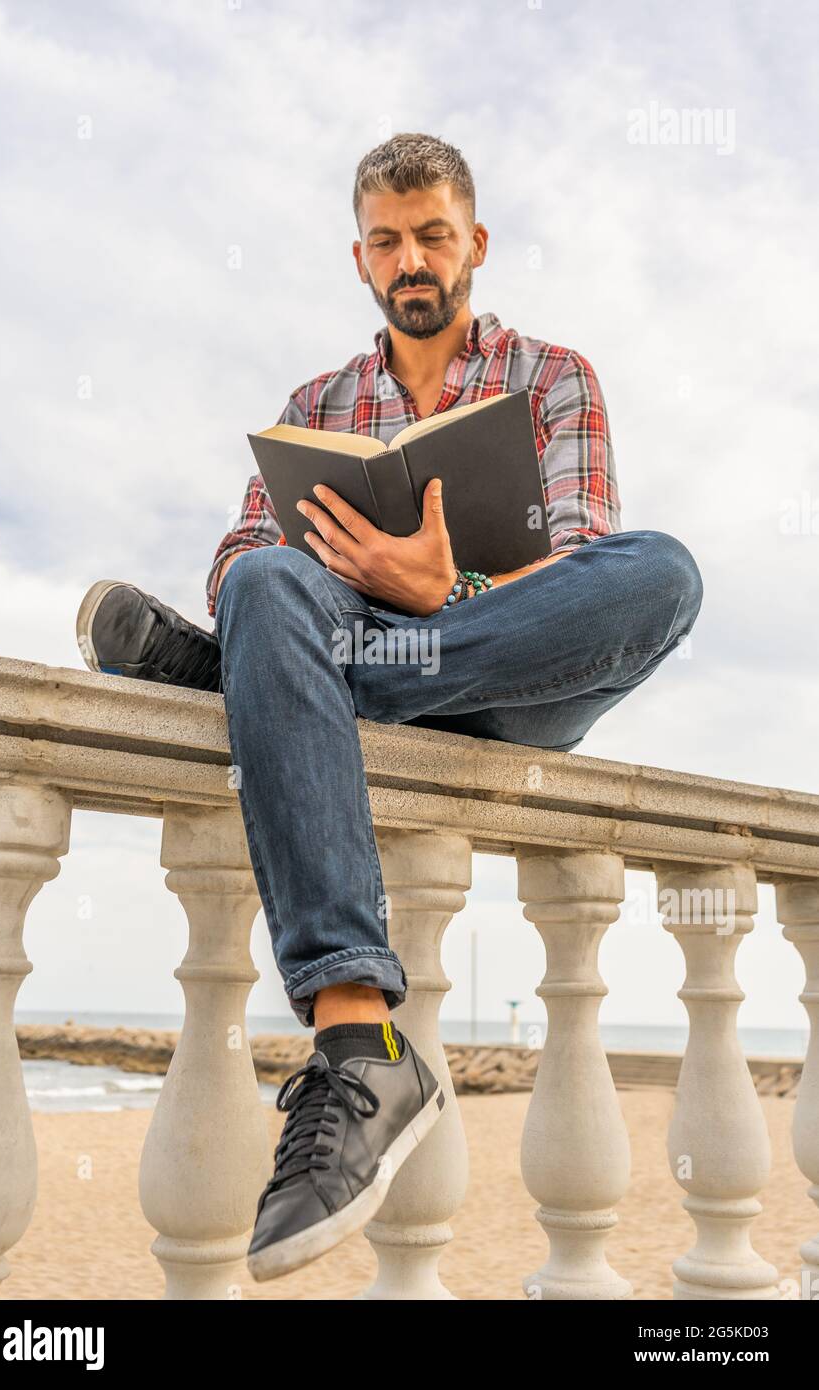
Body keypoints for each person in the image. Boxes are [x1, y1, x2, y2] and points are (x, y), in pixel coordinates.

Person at [75, 132, 704, 1284]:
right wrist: (316, 597)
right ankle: (359, 1042)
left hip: (511, 681)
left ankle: (267, 686)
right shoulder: (319, 400)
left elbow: (577, 564)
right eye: (384, 240)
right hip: (359, 648)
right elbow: (236, 561)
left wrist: (439, 587)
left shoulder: (550, 375)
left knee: (661, 571)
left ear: (473, 243)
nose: (408, 256)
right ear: (358, 258)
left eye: (429, 234)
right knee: (268, 585)